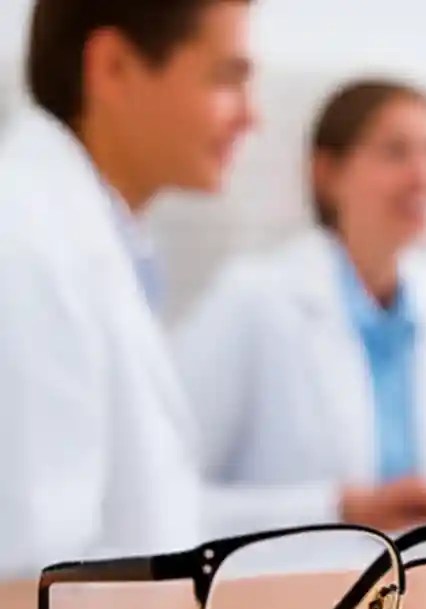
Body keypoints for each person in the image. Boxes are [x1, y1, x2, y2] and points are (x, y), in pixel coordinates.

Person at [175, 80, 426, 534]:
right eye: (396, 152)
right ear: (327, 173)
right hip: (287, 588)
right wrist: (337, 510)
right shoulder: (252, 298)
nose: (425, 176)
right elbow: (166, 500)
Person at [0, 0, 255, 575]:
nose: (251, 116)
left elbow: (152, 514)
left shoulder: (87, 235)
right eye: (226, 79)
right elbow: (29, 581)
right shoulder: (25, 253)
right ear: (113, 66)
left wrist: (339, 506)